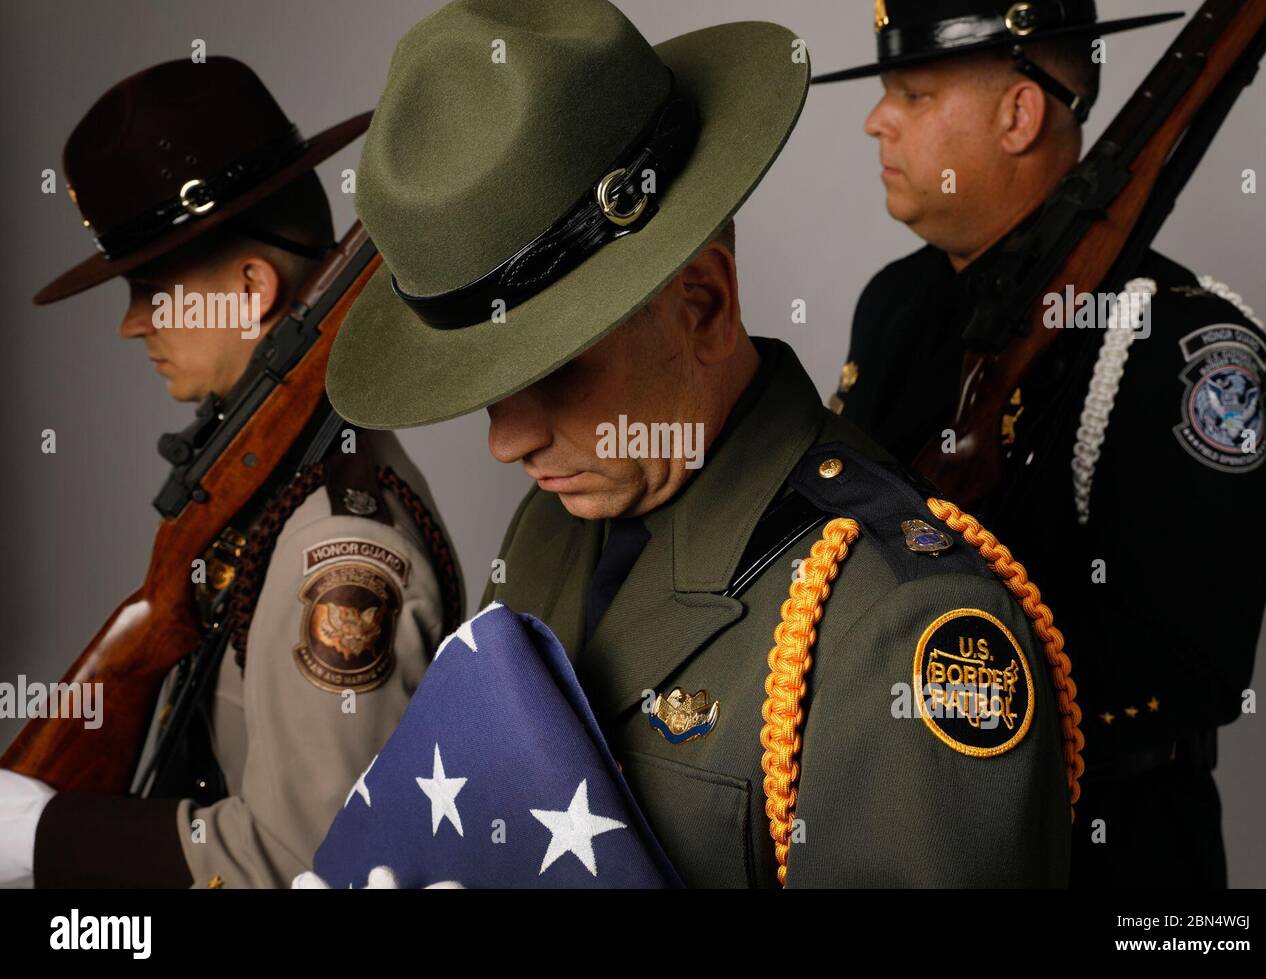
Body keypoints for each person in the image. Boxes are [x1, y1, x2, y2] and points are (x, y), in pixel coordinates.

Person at [324, 0, 1078, 888]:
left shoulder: (898, 625)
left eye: (554, 367)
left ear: (705, 306)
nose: (507, 441)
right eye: (483, 384)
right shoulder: (549, 532)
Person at [815, 1, 1266, 886]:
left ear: (1021, 115)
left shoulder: (1182, 348)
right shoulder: (896, 304)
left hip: (1111, 854)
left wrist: (909, 697)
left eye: (913, 95)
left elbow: (1185, 671)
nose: (877, 120)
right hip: (904, 832)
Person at [0, 57, 462, 888]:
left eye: (149, 289)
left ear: (250, 289)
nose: (132, 325)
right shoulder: (262, 496)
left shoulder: (338, 540)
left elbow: (310, 863)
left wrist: (48, 835)